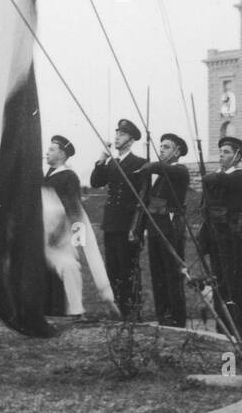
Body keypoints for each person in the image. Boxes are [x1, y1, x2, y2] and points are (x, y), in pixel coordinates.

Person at [42, 136, 116, 319]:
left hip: (62, 231)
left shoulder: (68, 176)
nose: (47, 153)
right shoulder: (48, 175)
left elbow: (73, 209)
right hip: (44, 229)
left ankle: (76, 310)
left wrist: (65, 234)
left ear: (61, 154)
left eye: (51, 149)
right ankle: (53, 309)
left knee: (68, 266)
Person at [90, 119, 147, 319]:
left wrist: (137, 228)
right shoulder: (112, 163)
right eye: (116, 134)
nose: (116, 138)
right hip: (111, 222)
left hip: (127, 224)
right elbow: (96, 182)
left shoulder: (140, 163)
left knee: (127, 268)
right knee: (112, 268)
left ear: (131, 141)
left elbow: (143, 196)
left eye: (121, 135)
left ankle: (131, 311)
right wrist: (101, 160)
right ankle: (116, 312)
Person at [198, 136, 242, 336]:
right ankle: (223, 327)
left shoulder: (241, 176)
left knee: (234, 283)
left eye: (227, 152)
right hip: (215, 236)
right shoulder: (214, 177)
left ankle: (238, 328)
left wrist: (207, 178)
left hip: (233, 237)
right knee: (219, 282)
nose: (221, 155)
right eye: (220, 152)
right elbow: (206, 208)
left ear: (238, 156)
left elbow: (221, 180)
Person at [136, 133, 191, 327]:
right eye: (161, 147)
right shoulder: (160, 176)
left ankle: (177, 318)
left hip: (170, 229)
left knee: (172, 274)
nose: (161, 150)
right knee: (157, 273)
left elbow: (161, 168)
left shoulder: (180, 171)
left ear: (177, 152)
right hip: (155, 228)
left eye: (166, 147)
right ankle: (163, 316)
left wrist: (150, 166)